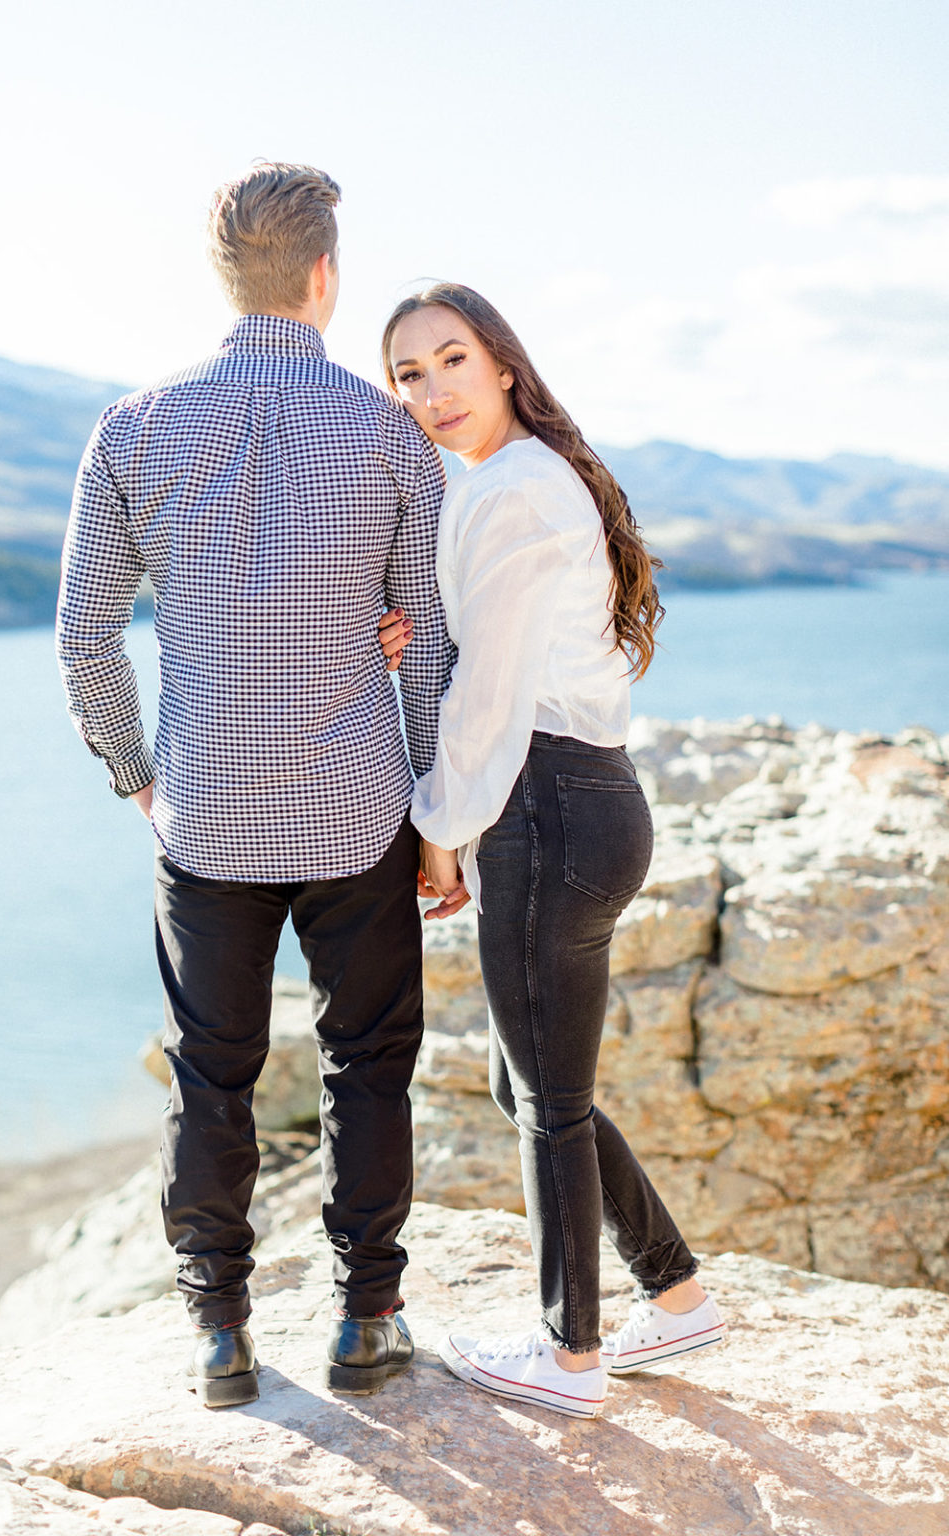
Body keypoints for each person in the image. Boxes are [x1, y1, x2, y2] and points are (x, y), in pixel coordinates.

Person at [56, 163, 455, 1408]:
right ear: (325, 277)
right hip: (357, 816)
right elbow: (428, 640)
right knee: (367, 1064)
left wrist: (138, 776)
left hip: (208, 818)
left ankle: (220, 1335)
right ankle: (366, 1320)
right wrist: (437, 816)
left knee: (210, 1071)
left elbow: (83, 639)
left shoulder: (132, 427)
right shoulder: (391, 433)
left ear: (225, 278)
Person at [379, 283, 726, 1420]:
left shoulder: (516, 492)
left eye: (450, 361)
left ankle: (568, 1354)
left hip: (545, 804)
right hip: (578, 802)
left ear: (505, 367)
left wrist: (439, 833)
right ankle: (671, 1297)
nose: (431, 392)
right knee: (522, 1077)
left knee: (550, 1094)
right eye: (407, 375)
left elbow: (492, 696)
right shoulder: (510, 485)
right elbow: (498, 648)